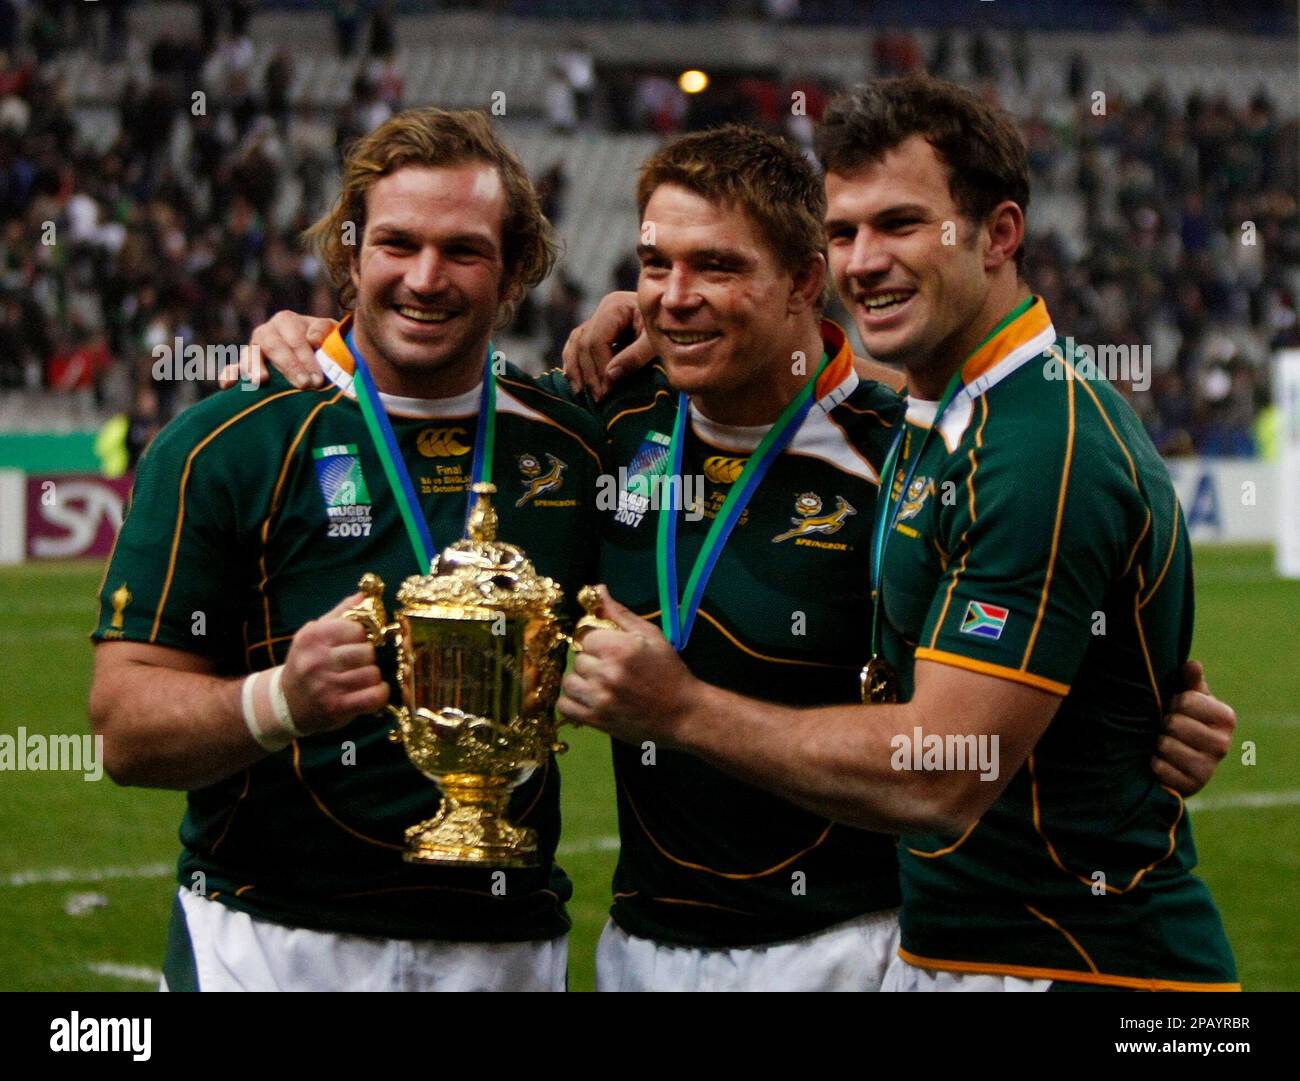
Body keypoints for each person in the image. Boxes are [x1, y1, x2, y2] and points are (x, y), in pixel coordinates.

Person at [242, 119, 1236, 992]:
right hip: (639, 943)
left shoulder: (901, 450)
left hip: (857, 943)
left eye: (716, 268)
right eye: (654, 266)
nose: (675, 298)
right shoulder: (601, 424)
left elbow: (1018, 670)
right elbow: (430, 398)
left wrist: (1142, 719)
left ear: (805, 282)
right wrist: (311, 345)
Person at [557, 77, 1240, 991]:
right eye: (845, 233)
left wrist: (680, 711)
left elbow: (942, 772)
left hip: (1074, 963)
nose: (864, 260)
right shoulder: (942, 412)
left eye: (902, 225)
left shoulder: (1036, 446)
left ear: (1000, 234)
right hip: (962, 952)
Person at [88, 108, 604, 991]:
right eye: (396, 244)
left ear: (516, 270)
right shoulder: (229, 441)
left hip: (504, 944)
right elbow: (125, 730)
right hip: (270, 944)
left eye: (464, 250)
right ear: (350, 256)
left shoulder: (574, 444)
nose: (424, 278)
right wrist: (278, 699)